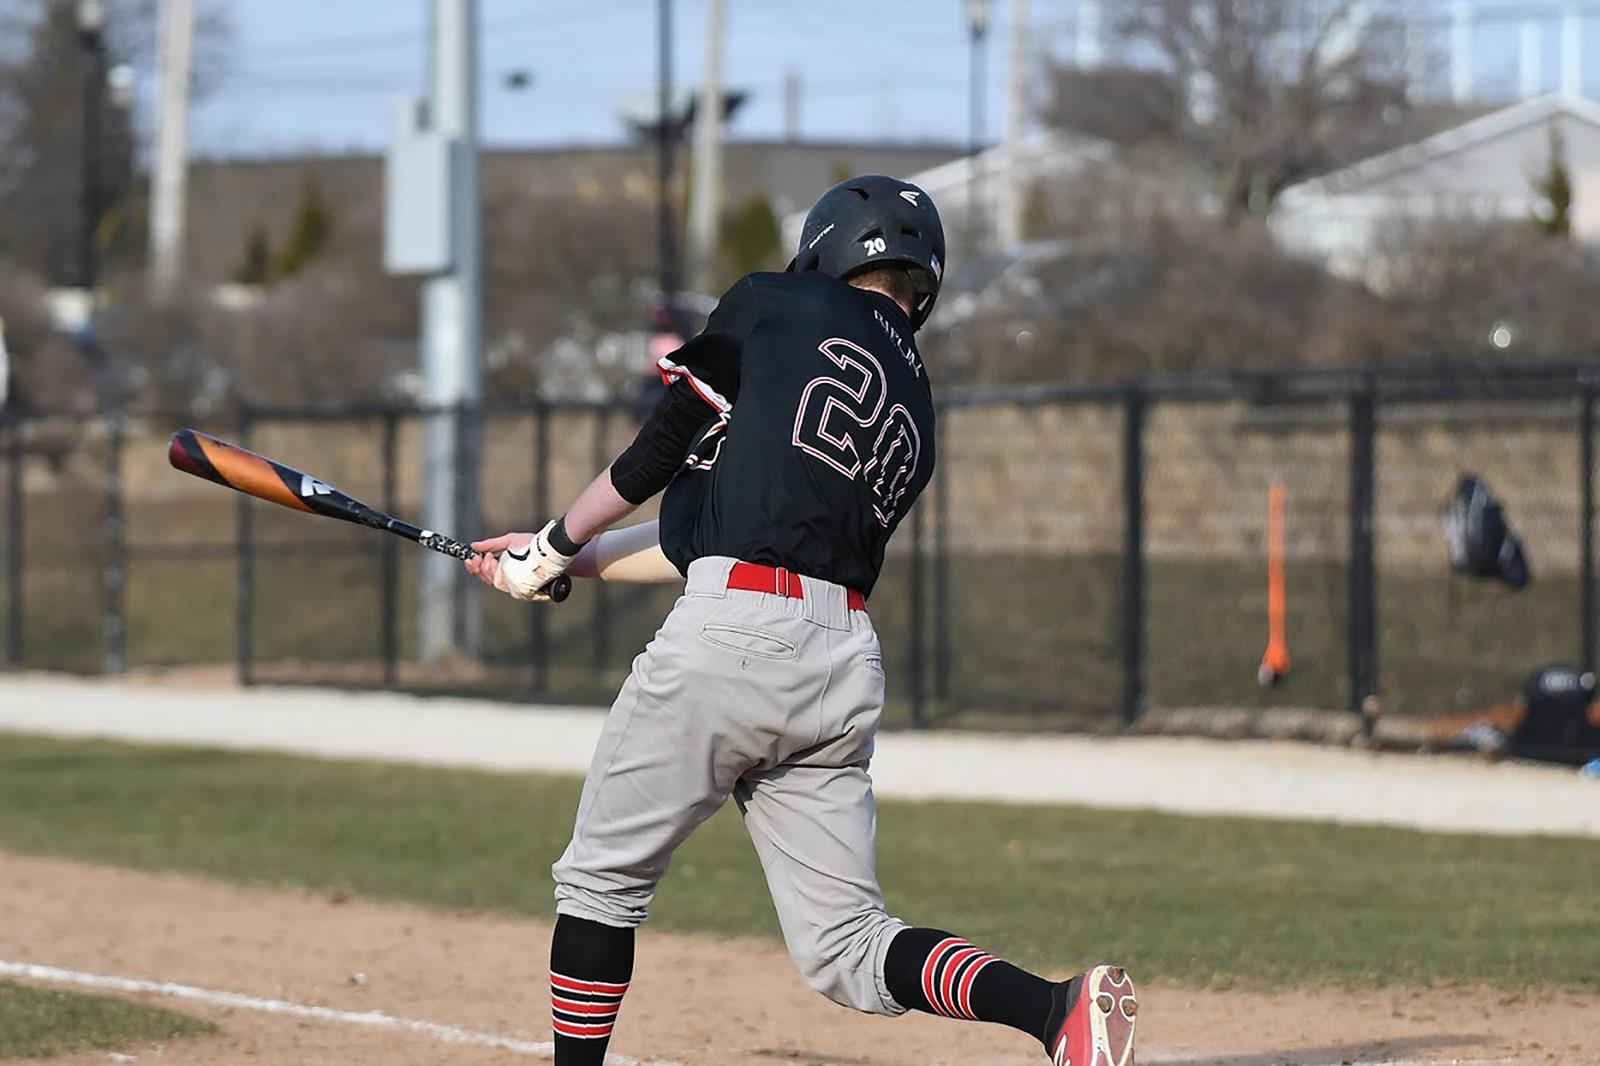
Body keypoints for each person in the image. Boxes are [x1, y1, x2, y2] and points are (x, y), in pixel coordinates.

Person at [466, 175, 1137, 1066]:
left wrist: (554, 540)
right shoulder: (918, 407)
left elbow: (667, 443)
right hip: (839, 660)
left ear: (822, 248)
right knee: (848, 948)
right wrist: (556, 563)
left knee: (598, 885)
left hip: (730, 640)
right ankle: (1054, 1010)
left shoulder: (776, 303)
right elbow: (699, 538)